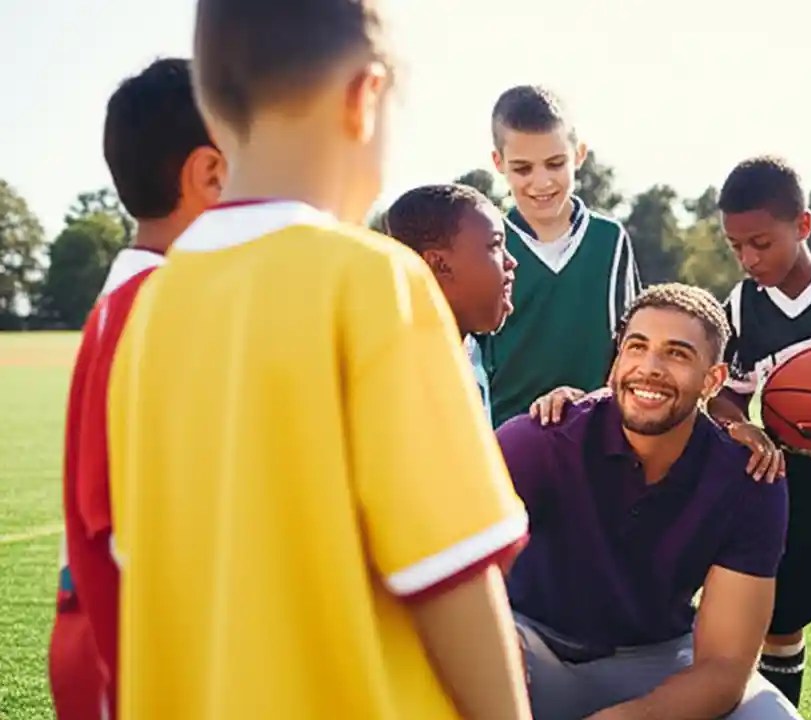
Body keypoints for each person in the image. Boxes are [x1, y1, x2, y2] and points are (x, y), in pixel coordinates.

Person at [106, 2, 531, 718]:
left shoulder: (152, 306)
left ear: (212, 106)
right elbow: (452, 573)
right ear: (365, 97)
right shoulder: (375, 281)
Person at [496, 283, 799, 719]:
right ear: (617, 361)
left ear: (712, 380)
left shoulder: (749, 478)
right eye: (637, 347)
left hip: (656, 660)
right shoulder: (539, 441)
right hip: (532, 649)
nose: (650, 368)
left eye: (677, 354)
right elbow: (454, 572)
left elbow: (724, 666)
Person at [49, 57, 223, 720]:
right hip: (131, 658)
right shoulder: (156, 310)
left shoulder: (135, 299)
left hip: (105, 637)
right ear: (210, 175)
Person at [707, 156, 811, 718]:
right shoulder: (741, 306)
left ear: (802, 226)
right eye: (736, 247)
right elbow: (725, 391)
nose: (749, 259)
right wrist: (741, 424)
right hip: (787, 482)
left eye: (760, 243)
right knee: (780, 625)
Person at [479, 84, 641, 426]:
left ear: (579, 154)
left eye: (555, 164)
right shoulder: (487, 245)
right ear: (499, 162)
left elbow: (630, 348)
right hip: (507, 441)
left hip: (596, 435)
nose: (542, 182)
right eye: (523, 169)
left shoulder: (609, 241)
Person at [383, 183, 517, 422]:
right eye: (495, 245)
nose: (511, 262)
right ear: (439, 264)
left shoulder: (469, 354)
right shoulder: (398, 372)